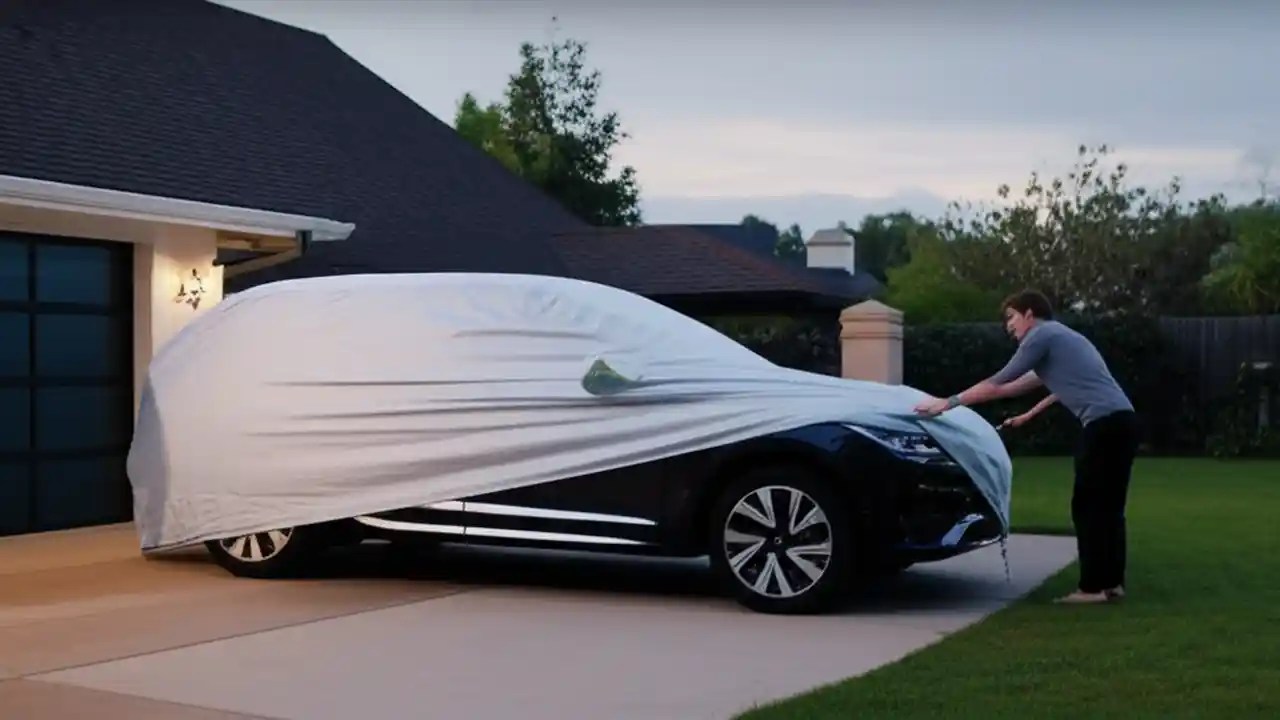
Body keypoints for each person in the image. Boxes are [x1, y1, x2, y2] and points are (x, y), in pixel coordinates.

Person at [913, 289, 1139, 604]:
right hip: (1123, 424)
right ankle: (1112, 584)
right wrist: (1027, 415)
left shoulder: (1041, 336)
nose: (1009, 326)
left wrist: (946, 403)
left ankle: (1092, 588)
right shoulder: (1062, 339)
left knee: (1087, 506)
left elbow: (996, 382)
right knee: (1109, 508)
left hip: (1104, 428)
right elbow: (1041, 386)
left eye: (1011, 317)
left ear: (1030, 314)